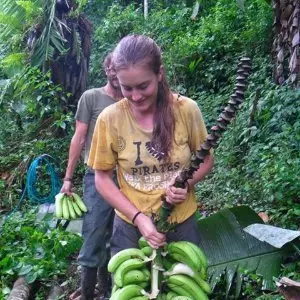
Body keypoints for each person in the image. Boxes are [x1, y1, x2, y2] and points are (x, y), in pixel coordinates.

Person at [87, 35, 214, 255]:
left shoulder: (185, 110)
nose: (135, 96)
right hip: (130, 226)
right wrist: (138, 218)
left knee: (185, 284)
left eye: (143, 86)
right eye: (127, 88)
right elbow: (102, 178)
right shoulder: (110, 119)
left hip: (181, 222)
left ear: (159, 74)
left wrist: (186, 183)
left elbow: (207, 159)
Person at [60, 53, 123, 300]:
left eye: (121, 69)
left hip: (128, 177)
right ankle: (87, 293)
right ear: (106, 69)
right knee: (94, 232)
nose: (117, 74)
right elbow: (78, 138)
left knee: (119, 235)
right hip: (98, 175)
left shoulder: (132, 99)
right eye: (113, 69)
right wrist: (68, 178)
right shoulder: (92, 97)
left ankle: (108, 291)